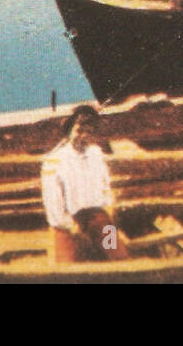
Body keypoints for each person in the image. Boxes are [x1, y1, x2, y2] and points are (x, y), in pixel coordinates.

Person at [41, 105, 128, 264]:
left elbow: (105, 187)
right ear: (69, 130)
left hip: (98, 218)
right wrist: (71, 226)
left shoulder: (96, 154)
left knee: (119, 257)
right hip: (68, 224)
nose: (84, 135)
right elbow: (53, 204)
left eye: (89, 130)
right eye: (79, 130)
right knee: (70, 270)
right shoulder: (54, 160)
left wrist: (108, 212)